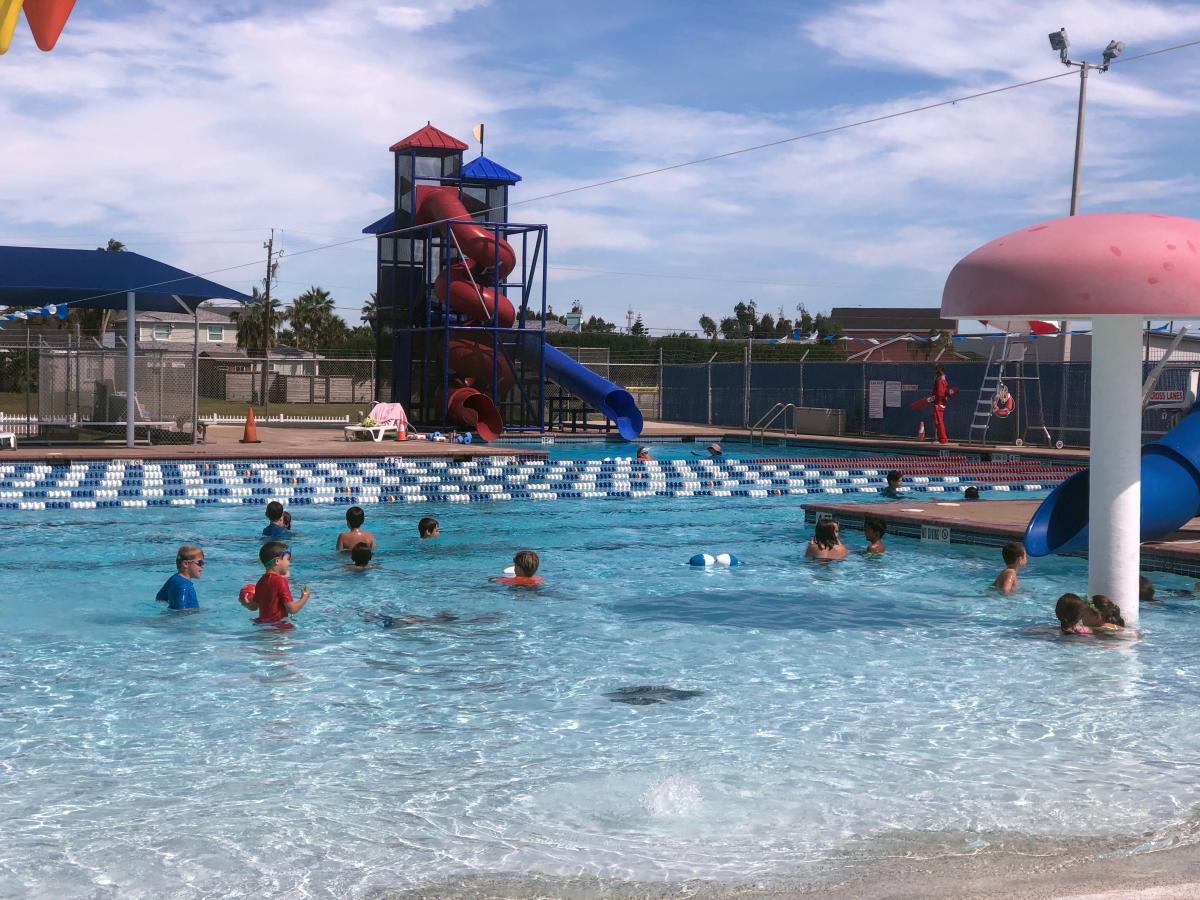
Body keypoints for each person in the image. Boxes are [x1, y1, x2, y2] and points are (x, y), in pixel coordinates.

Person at [239, 541, 311, 625]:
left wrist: (246, 603)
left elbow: (254, 607)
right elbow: (292, 609)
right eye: (288, 559)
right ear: (277, 561)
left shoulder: (261, 581)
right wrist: (305, 597)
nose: (289, 563)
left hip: (262, 625)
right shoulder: (281, 581)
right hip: (279, 627)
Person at [155, 544, 204, 610]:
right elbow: (181, 612)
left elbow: (159, 598)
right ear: (185, 564)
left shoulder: (173, 579)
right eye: (200, 562)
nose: (202, 566)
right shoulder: (184, 586)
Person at [931, 363, 952, 445]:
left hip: (938, 403)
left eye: (935, 370)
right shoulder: (943, 380)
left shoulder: (939, 380)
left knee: (938, 421)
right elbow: (946, 392)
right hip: (941, 403)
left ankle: (943, 439)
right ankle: (941, 439)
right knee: (939, 421)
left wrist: (937, 403)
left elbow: (940, 393)